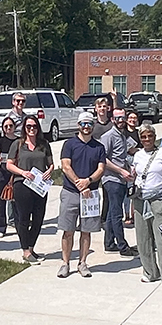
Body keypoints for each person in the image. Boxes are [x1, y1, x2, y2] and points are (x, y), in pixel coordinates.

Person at [130, 123, 162, 290]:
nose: (146, 139)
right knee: (143, 238)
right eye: (143, 137)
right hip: (140, 199)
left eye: (149, 136)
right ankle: (150, 272)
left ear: (154, 136)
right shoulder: (137, 155)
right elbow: (135, 175)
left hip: (159, 199)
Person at [58, 112, 106, 277]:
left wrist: (89, 181)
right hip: (70, 192)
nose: (86, 127)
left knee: (86, 230)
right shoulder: (69, 144)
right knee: (67, 230)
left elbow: (101, 168)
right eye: (83, 124)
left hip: (90, 194)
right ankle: (65, 263)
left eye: (89, 124)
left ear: (93, 126)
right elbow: (65, 166)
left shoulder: (99, 147)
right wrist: (80, 184)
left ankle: (83, 263)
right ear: (78, 125)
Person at [5, 115, 54, 263]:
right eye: (28, 126)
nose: (32, 129)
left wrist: (49, 170)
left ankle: (31, 247)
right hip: (23, 184)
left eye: (34, 126)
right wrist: (22, 172)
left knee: (38, 218)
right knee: (23, 218)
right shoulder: (18, 144)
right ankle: (25, 250)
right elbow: (9, 164)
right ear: (24, 128)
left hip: (40, 186)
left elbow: (51, 163)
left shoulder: (44, 144)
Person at [99, 108, 137, 256]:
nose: (121, 121)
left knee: (111, 213)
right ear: (113, 119)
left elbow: (121, 157)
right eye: (117, 118)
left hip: (122, 179)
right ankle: (123, 246)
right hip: (112, 179)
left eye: (123, 118)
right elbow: (104, 159)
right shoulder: (108, 136)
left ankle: (109, 243)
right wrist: (121, 171)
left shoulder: (122, 135)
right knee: (117, 214)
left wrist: (128, 168)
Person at [0, 116, 19, 238]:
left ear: (14, 127)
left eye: (10, 126)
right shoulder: (0, 141)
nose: (8, 128)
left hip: (15, 172)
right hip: (3, 172)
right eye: (6, 126)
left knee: (17, 201)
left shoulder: (19, 141)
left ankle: (19, 225)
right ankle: (0, 227)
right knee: (0, 200)